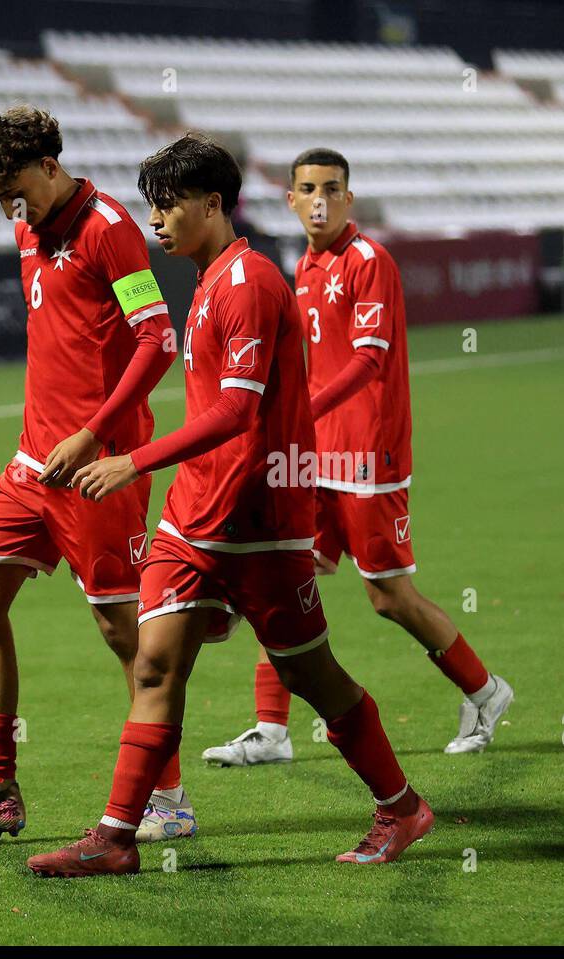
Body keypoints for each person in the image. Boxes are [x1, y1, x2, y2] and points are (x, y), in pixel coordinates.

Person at [25, 134, 434, 878]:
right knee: (153, 665)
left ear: (213, 205)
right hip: (193, 516)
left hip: (260, 521)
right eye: (151, 206)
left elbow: (234, 417)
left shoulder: (248, 282)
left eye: (169, 205)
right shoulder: (211, 278)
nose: (157, 221)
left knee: (314, 676)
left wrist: (130, 460)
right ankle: (115, 838)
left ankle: (402, 808)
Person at [0, 106, 193, 846]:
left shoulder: (109, 230)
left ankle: (169, 801)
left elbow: (158, 339)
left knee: (123, 631)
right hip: (32, 466)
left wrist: (94, 434)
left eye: (15, 189)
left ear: (49, 164)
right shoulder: (27, 226)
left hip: (98, 468)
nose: (11, 208)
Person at [202, 148, 513, 768]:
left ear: (350, 197)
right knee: (282, 576)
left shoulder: (368, 262)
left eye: (332, 188)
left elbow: (369, 361)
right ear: (289, 198)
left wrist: (303, 409)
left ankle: (484, 692)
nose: (319, 198)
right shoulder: (306, 266)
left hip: (370, 453)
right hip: (318, 454)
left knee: (389, 596)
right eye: (308, 188)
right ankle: (272, 729)